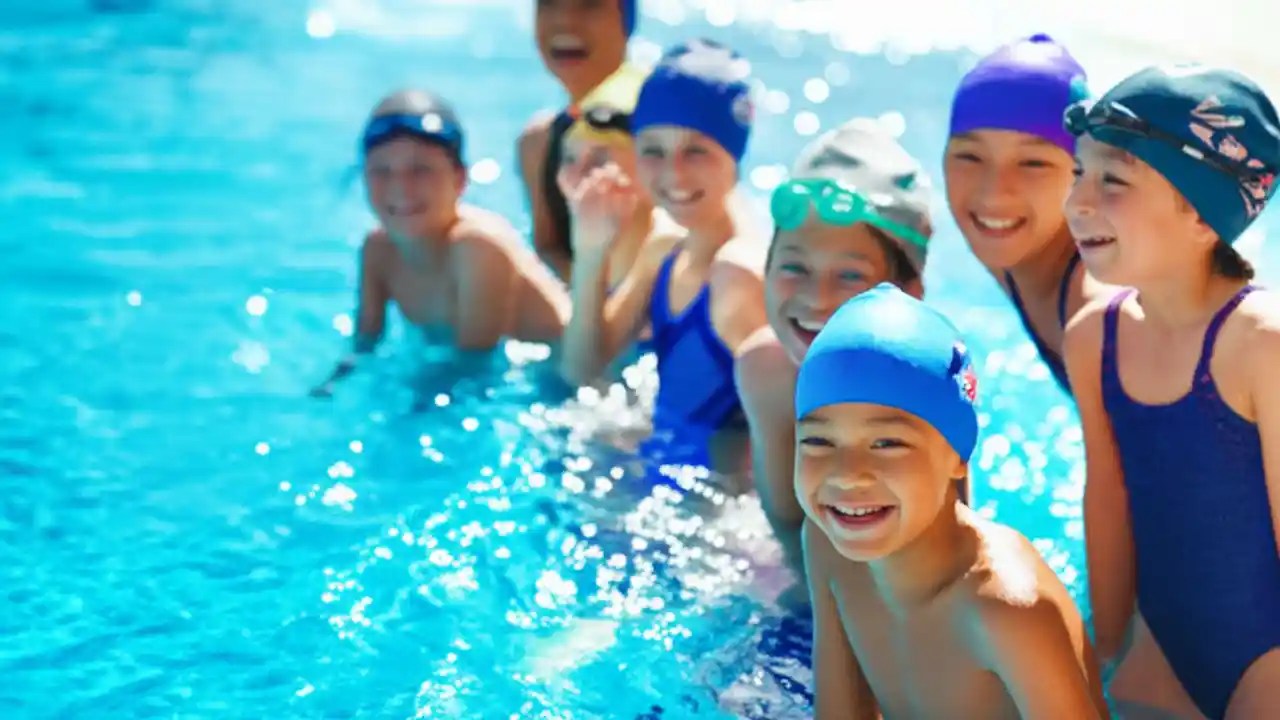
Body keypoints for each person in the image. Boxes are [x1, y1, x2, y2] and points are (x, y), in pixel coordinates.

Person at [1063, 64, 1280, 720]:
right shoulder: (1093, 337)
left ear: (1200, 215)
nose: (1078, 202)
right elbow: (1107, 496)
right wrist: (1103, 649)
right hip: (1157, 650)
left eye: (1114, 181)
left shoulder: (1260, 344)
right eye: (1079, 172)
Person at [797, 284, 1108, 719]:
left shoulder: (1006, 610)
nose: (847, 474)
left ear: (958, 457)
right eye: (817, 441)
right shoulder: (826, 544)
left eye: (887, 443)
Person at [735, 118, 935, 590]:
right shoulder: (766, 371)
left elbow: (939, 573)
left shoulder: (924, 391)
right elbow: (788, 531)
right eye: (794, 268)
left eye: (849, 276)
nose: (816, 298)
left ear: (908, 293)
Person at [558, 38, 766, 472]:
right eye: (653, 150)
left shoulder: (740, 276)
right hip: (664, 475)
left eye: (697, 151)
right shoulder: (666, 246)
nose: (673, 173)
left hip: (718, 515)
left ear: (734, 154)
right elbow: (583, 370)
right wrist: (591, 251)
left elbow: (780, 438)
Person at [312, 90, 570, 396]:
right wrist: (332, 385)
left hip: (563, 375)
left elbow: (475, 362)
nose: (401, 188)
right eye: (382, 171)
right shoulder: (378, 249)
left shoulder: (478, 247)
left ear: (460, 179)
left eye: (420, 170)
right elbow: (365, 343)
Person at [945, 33, 1108, 390]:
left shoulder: (1105, 312)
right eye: (970, 156)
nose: (994, 191)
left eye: (1033, 163)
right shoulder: (1023, 245)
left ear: (1082, 173)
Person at [518, 0, 637, 281]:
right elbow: (547, 249)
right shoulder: (537, 143)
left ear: (626, 20)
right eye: (548, 4)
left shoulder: (664, 133)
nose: (565, 21)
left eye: (589, 5)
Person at [557, 62, 678, 293]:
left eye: (599, 161)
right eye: (569, 158)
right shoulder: (598, 256)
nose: (576, 176)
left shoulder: (673, 261)